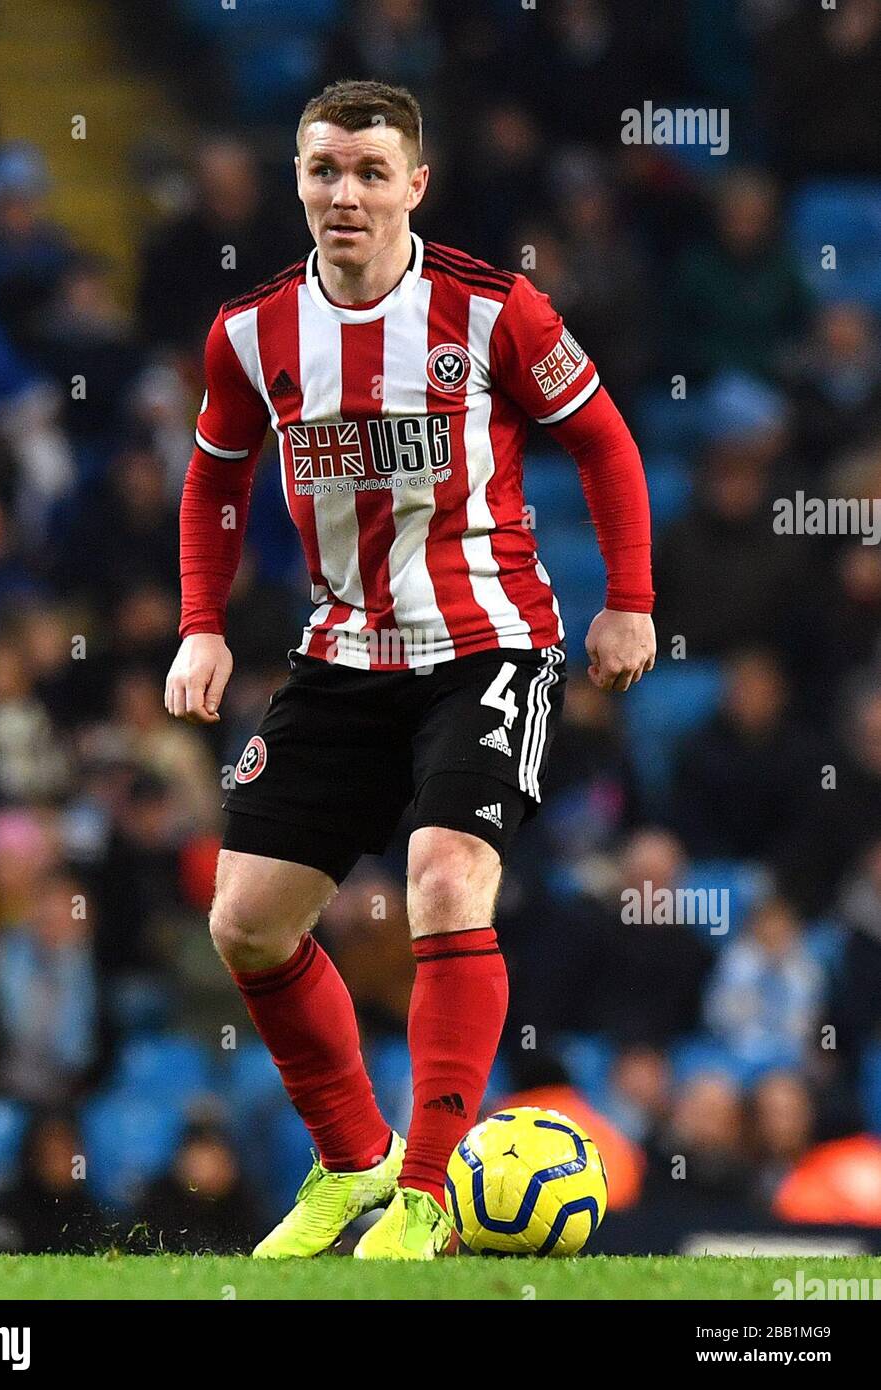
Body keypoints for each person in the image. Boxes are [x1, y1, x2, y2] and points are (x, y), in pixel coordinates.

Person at [164, 80, 655, 1259]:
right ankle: (352, 1163)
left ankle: (429, 1189)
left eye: (371, 172)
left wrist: (630, 601)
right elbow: (215, 477)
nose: (346, 193)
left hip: (488, 643)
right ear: (297, 179)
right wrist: (202, 621)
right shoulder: (249, 332)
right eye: (325, 169)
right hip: (340, 653)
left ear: (414, 186)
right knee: (245, 923)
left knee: (444, 878)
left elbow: (604, 439)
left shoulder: (493, 310)